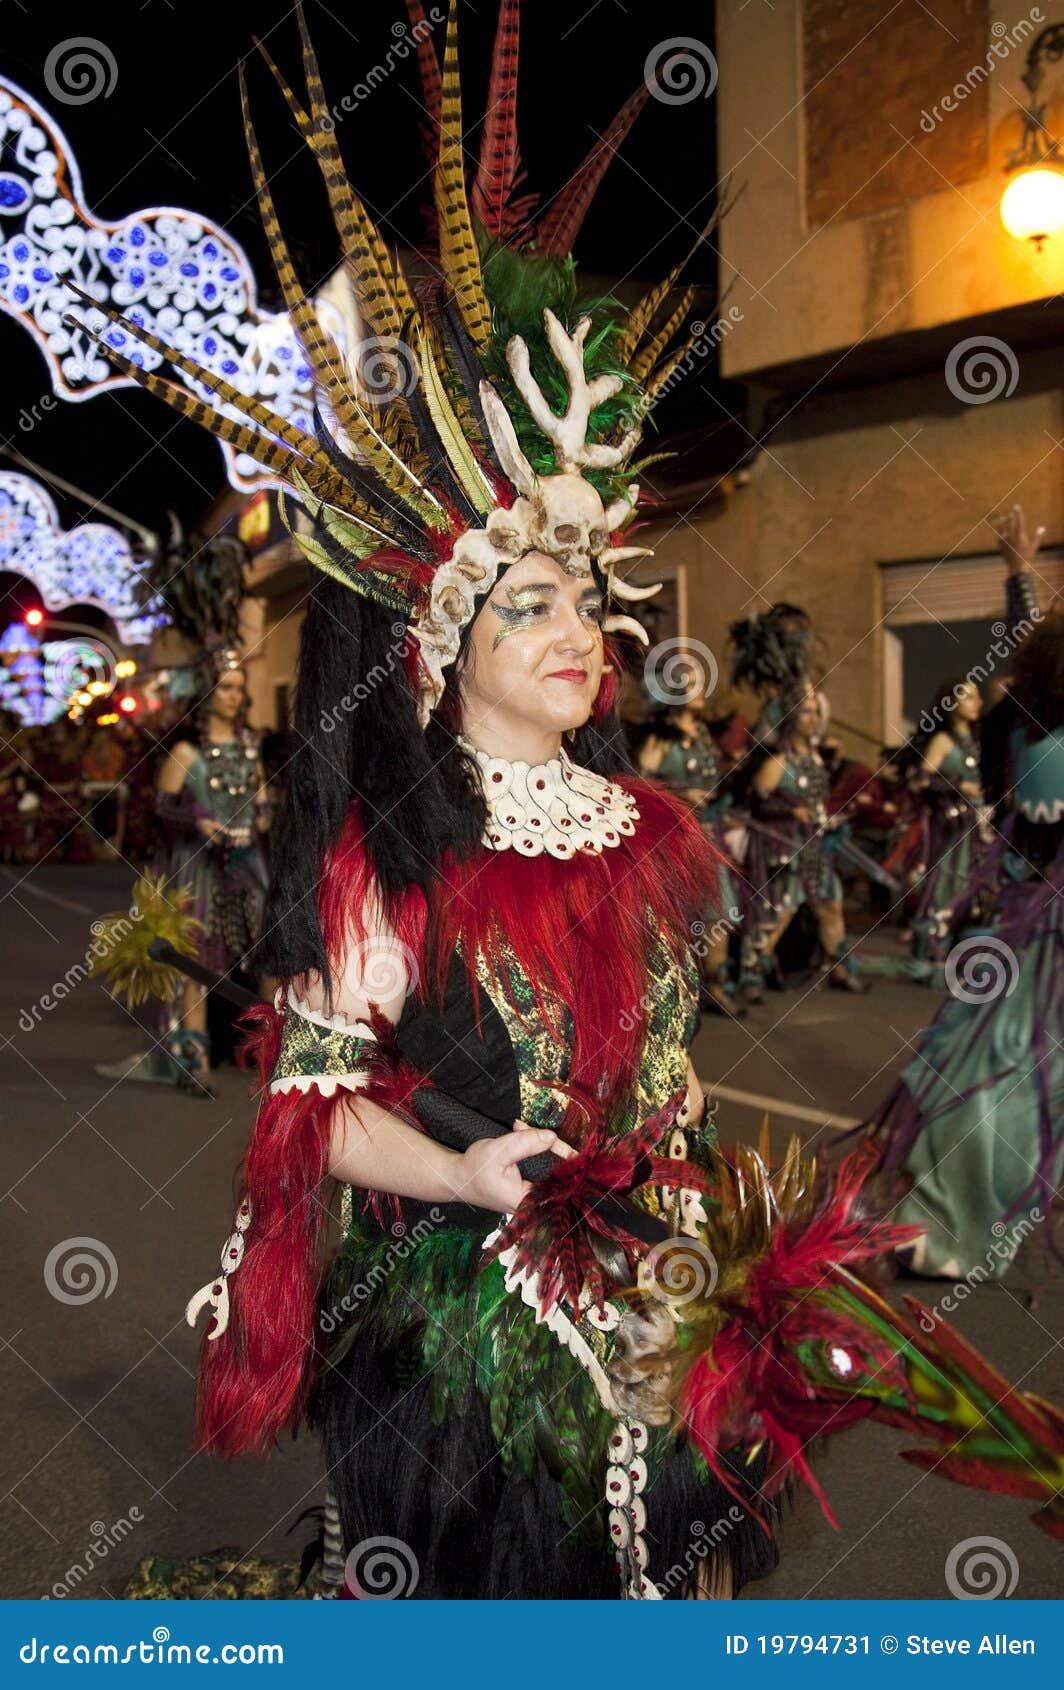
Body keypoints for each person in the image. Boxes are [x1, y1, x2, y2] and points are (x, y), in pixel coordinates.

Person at [81, 5, 1064, 1604]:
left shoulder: (644, 831)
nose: (579, 632)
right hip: (474, 1336)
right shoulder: (392, 854)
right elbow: (311, 1119)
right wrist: (469, 1174)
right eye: (530, 602)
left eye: (588, 600)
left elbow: (657, 1069)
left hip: (666, 1297)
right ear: (433, 648)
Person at [869, 508, 1063, 1278]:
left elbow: (1035, 658)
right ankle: (942, 1224)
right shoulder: (1039, 748)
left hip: (1028, 943)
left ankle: (944, 1215)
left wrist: (1020, 574)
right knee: (1010, 1080)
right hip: (1043, 951)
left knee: (1003, 1073)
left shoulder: (1019, 731)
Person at [96, 658, 270, 1090]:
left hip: (248, 864)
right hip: (200, 869)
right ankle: (196, 1061)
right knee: (198, 962)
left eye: (238, 688)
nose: (235, 697)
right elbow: (161, 809)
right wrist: (200, 825)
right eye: (226, 688)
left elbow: (263, 797)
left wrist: (261, 819)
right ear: (207, 696)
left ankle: (276, 1062)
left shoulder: (250, 745)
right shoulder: (188, 752)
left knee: (270, 958)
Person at [741, 687, 865, 997]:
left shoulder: (815, 757)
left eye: (815, 711)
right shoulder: (779, 760)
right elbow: (754, 803)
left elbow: (819, 796)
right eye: (805, 711)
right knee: (781, 912)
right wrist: (790, 810)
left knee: (830, 905)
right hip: (788, 847)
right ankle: (752, 972)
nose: (813, 718)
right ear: (790, 716)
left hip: (816, 846)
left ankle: (838, 967)